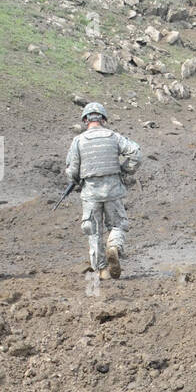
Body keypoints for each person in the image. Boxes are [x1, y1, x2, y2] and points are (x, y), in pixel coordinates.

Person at [65, 102, 141, 280]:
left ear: (85, 120)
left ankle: (101, 270)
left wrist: (75, 181)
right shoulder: (114, 137)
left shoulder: (78, 141)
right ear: (104, 120)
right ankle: (114, 246)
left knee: (93, 231)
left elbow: (72, 170)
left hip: (90, 192)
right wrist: (124, 170)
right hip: (113, 189)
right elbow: (136, 154)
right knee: (119, 224)